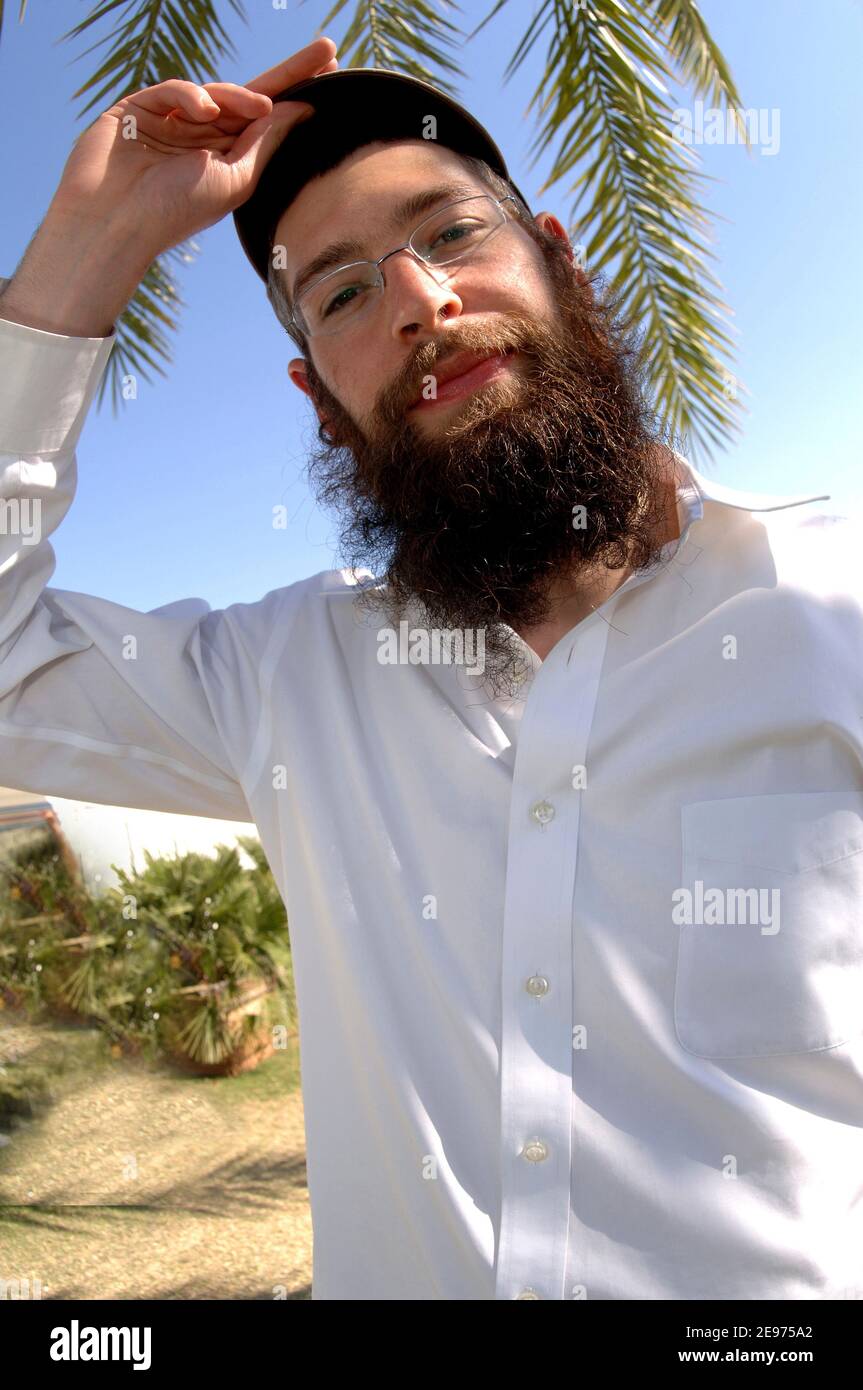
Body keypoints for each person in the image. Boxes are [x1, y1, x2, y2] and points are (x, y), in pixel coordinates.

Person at [1, 35, 862, 1302]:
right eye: (341, 292)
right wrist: (80, 261)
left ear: (560, 262)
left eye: (451, 235)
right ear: (316, 397)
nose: (417, 300)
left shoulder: (829, 603)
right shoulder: (283, 677)